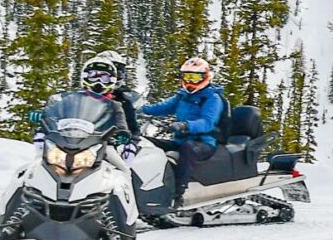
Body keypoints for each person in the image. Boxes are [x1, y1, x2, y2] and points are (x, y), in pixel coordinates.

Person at [140, 57, 227, 204]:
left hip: (204, 143)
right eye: (187, 76)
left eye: (194, 77)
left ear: (205, 77)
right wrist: (141, 110)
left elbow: (207, 122)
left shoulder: (212, 98)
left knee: (188, 149)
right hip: (180, 141)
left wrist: (185, 125)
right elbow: (164, 107)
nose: (190, 81)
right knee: (147, 143)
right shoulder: (183, 96)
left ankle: (177, 194)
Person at [80, 49, 141, 157]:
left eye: (104, 76)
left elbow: (131, 128)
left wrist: (129, 142)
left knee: (125, 165)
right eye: (94, 75)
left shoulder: (121, 102)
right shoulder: (78, 98)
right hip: (77, 145)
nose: (99, 81)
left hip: (108, 148)